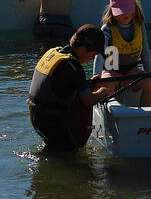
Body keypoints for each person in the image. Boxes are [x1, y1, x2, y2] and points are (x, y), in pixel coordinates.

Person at [27, 24, 120, 152]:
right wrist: (101, 92)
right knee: (70, 155)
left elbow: (60, 83)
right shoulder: (73, 66)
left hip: (35, 115)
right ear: (82, 49)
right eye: (93, 55)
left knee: (53, 148)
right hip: (51, 120)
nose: (91, 59)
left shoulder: (54, 52)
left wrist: (86, 84)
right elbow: (88, 101)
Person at [92, 0, 151, 107]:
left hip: (131, 70)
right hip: (111, 70)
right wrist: (96, 76)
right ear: (112, 11)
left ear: (135, 8)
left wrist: (149, 74)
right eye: (120, 11)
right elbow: (99, 55)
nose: (125, 14)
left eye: (127, 10)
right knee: (105, 86)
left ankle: (143, 117)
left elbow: (145, 52)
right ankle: (112, 117)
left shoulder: (139, 26)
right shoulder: (107, 29)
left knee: (150, 84)